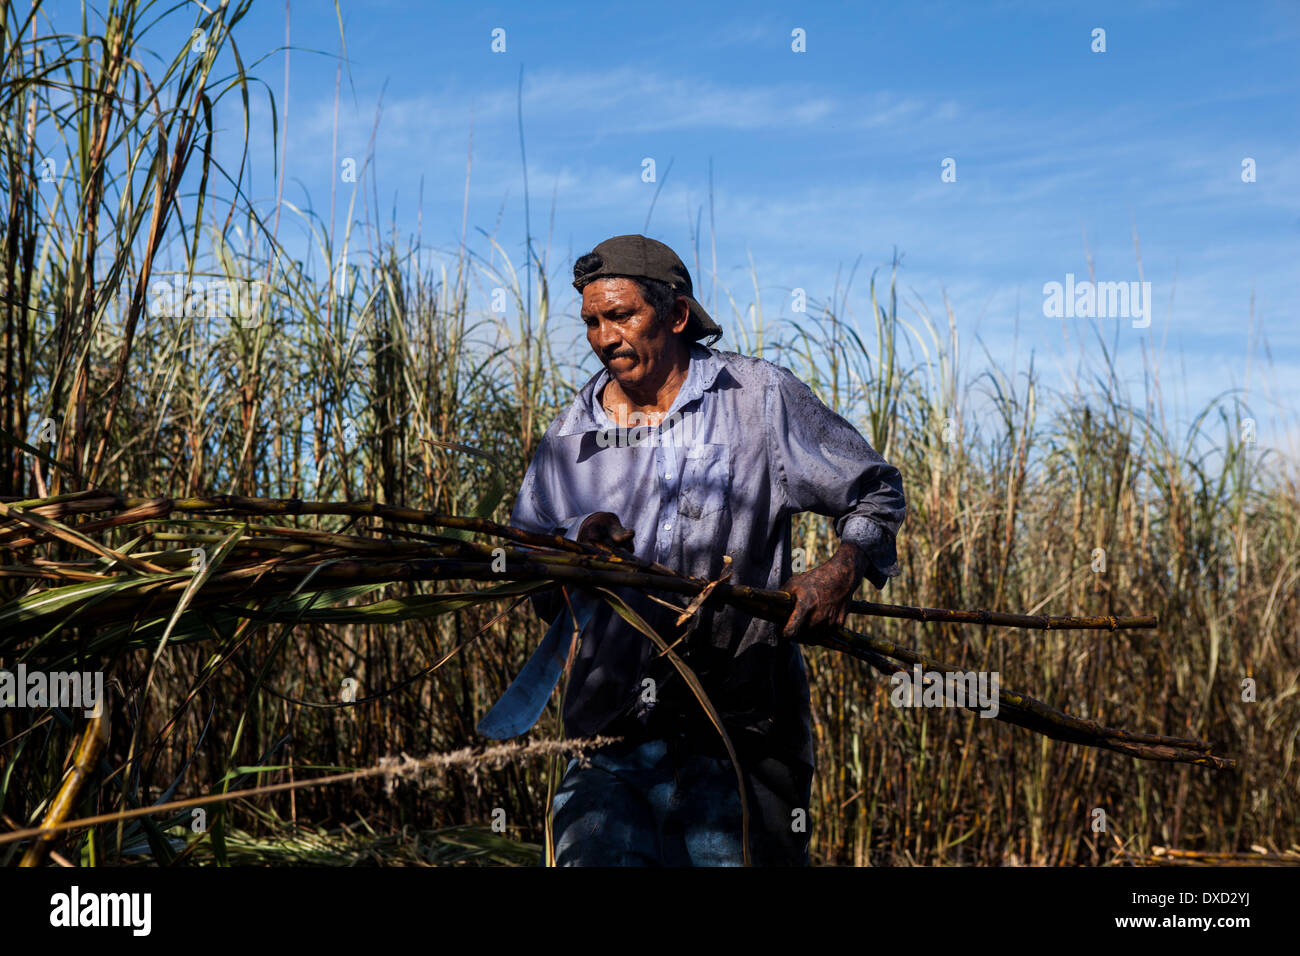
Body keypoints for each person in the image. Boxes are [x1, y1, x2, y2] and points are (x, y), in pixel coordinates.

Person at [482, 234, 906, 866]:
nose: (604, 338)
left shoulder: (757, 399)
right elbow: (524, 561)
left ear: (676, 315)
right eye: (592, 322)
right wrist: (573, 551)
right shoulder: (569, 439)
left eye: (622, 315)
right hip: (610, 746)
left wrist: (841, 570)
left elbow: (875, 490)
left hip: (739, 740)